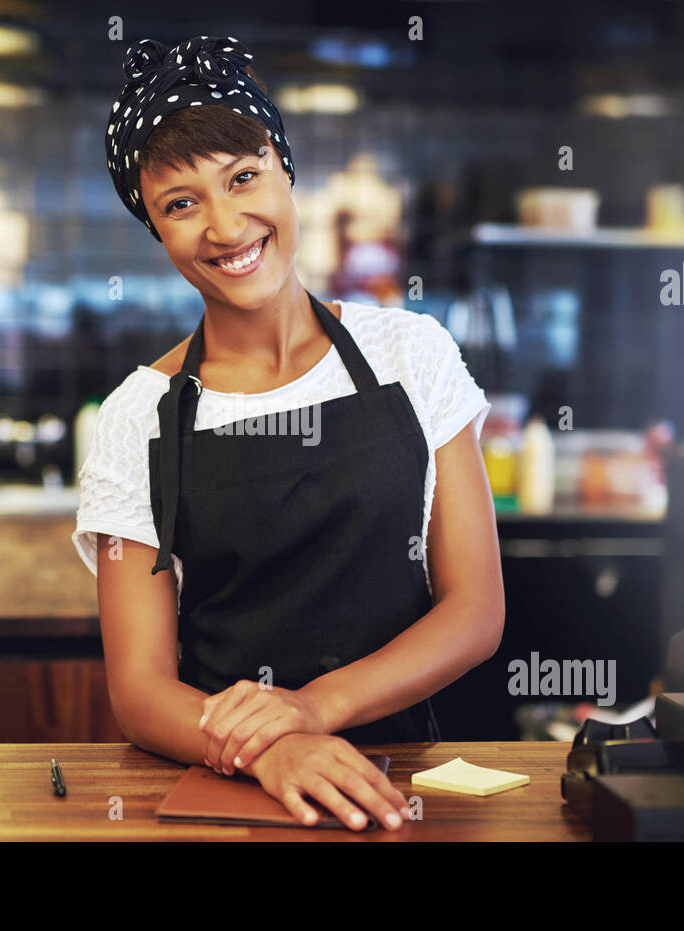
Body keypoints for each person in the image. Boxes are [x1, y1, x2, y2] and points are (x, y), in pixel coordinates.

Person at [76, 35, 505, 832]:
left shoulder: (411, 354)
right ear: (156, 230)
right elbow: (139, 693)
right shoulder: (138, 416)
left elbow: (475, 609)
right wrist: (267, 752)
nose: (226, 225)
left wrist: (309, 712)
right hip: (226, 785)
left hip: (402, 787)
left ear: (284, 166)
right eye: (181, 203)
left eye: (243, 178)